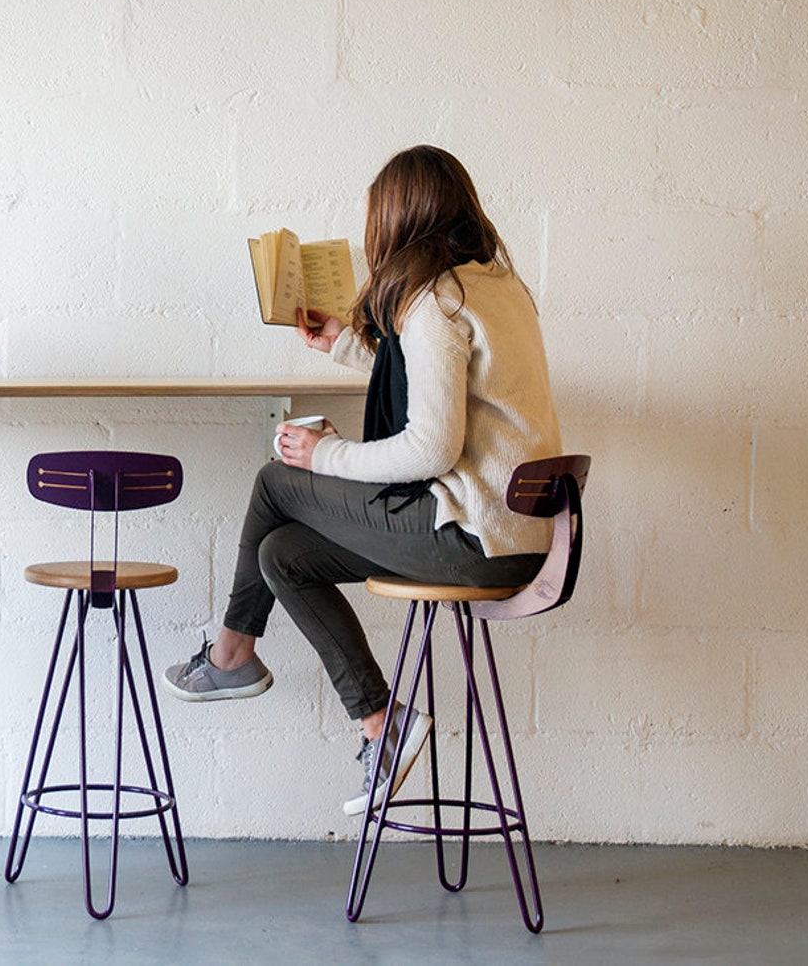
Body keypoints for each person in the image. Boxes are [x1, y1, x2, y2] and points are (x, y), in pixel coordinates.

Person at [163, 145, 561, 816]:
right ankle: (381, 723)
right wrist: (346, 342)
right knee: (280, 555)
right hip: (513, 532)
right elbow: (434, 376)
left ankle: (231, 652)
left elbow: (432, 446)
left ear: (400, 221)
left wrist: (325, 453)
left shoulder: (438, 299)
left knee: (275, 479)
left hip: (471, 535)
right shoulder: (493, 287)